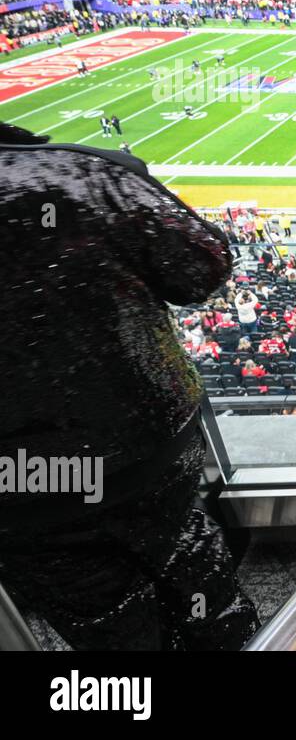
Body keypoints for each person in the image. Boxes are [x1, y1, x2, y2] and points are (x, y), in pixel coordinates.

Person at [0, 121, 259, 649]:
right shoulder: (83, 172)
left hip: (19, 487)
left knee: (101, 623)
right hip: (146, 446)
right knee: (200, 580)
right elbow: (200, 268)